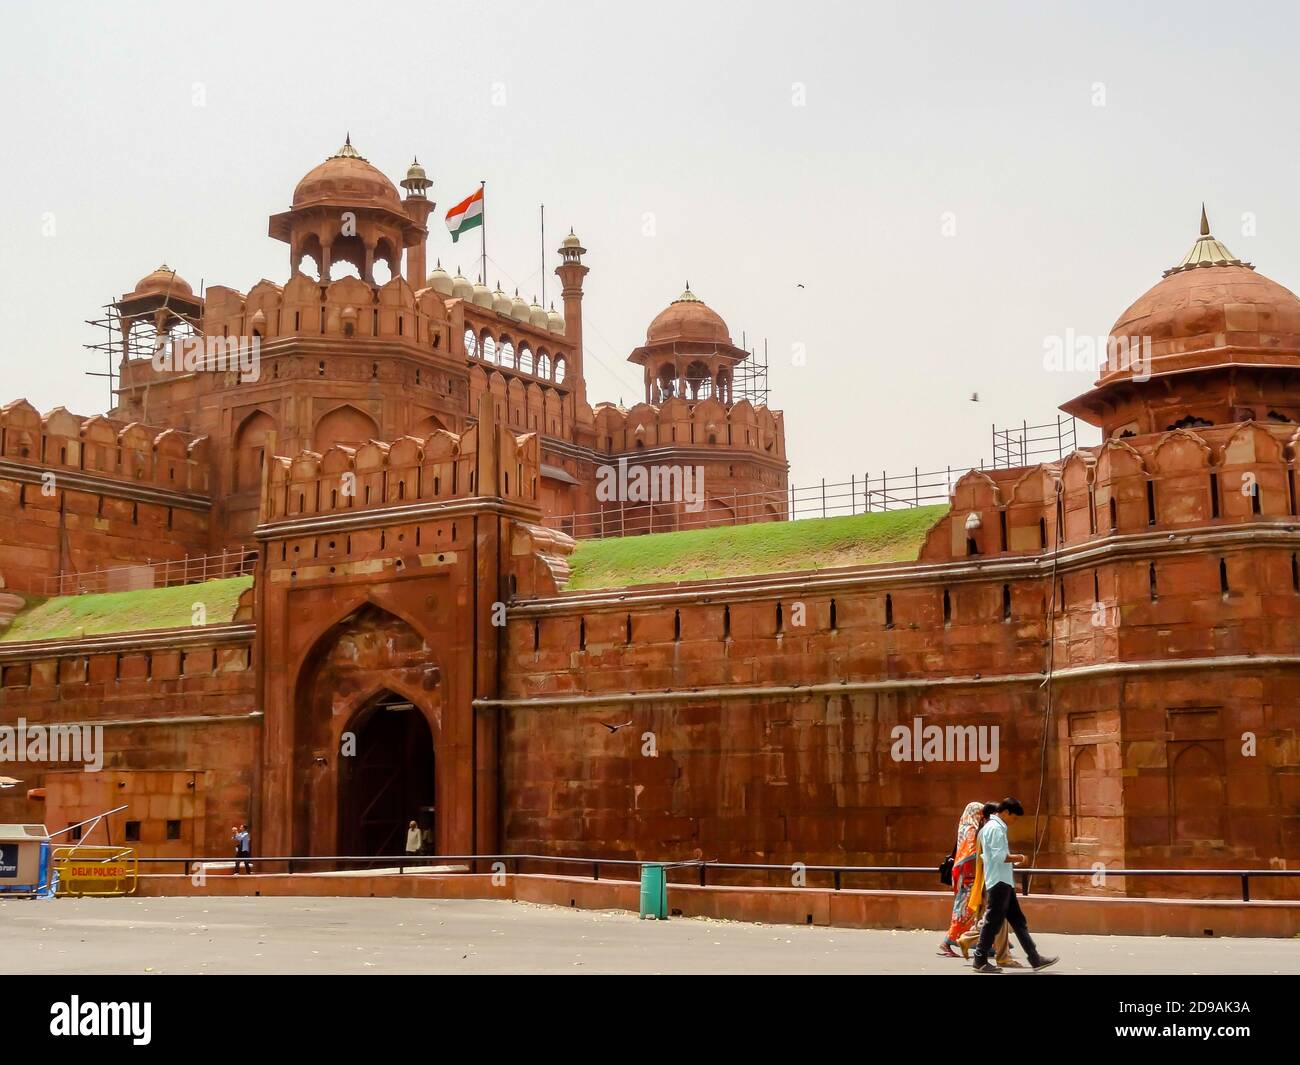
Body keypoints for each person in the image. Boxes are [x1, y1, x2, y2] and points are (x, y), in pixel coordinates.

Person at [971, 798, 1058, 973]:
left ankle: (1034, 957)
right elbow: (998, 856)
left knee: (1018, 921)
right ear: (1006, 812)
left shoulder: (994, 827)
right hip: (999, 882)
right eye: (1014, 817)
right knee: (992, 922)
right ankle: (980, 959)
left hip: (1003, 881)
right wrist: (1018, 857)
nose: (1014, 821)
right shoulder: (995, 829)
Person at [957, 803, 1015, 966]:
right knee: (995, 918)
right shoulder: (990, 830)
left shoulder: (984, 830)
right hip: (991, 880)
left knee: (997, 918)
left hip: (988, 879)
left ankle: (1002, 955)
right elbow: (994, 857)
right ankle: (970, 939)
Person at [938, 801, 984, 956]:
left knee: (968, 909)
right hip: (967, 874)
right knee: (965, 910)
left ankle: (983, 943)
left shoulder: (964, 826)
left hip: (961, 873)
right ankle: (949, 940)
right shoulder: (971, 829)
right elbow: (970, 853)